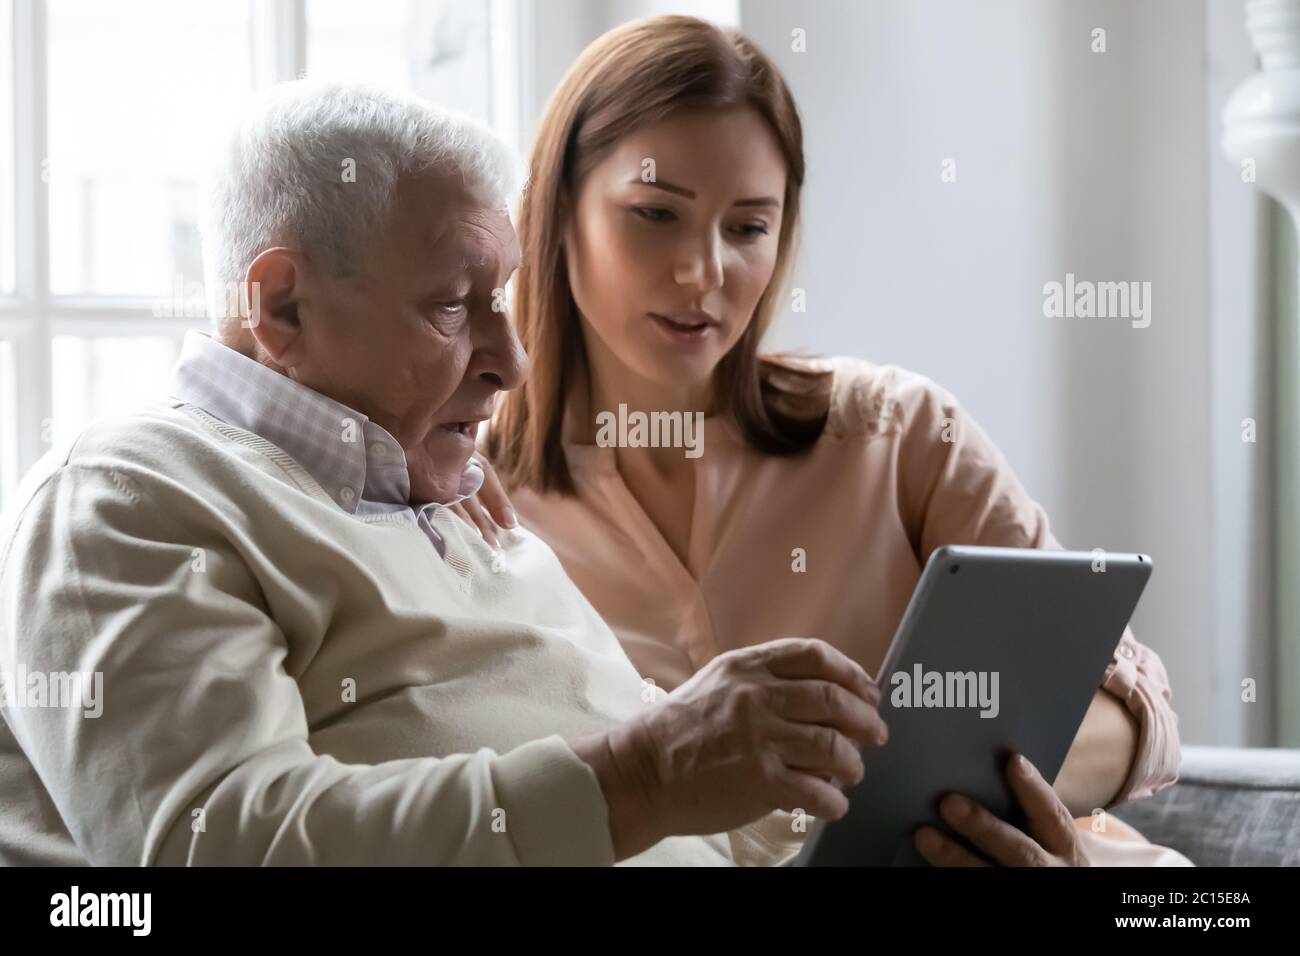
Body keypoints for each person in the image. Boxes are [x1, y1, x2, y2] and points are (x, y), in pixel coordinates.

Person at [0, 80, 896, 866]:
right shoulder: (126, 496)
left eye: (500, 302)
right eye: (450, 307)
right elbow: (225, 842)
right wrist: (646, 774)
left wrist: (889, 833)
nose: (512, 361)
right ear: (280, 306)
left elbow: (685, 816)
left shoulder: (447, 498)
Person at [481, 15, 1188, 866]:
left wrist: (954, 803)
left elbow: (1138, 710)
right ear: (555, 216)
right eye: (656, 214)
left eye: (747, 227)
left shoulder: (900, 434)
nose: (703, 272)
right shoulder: (474, 499)